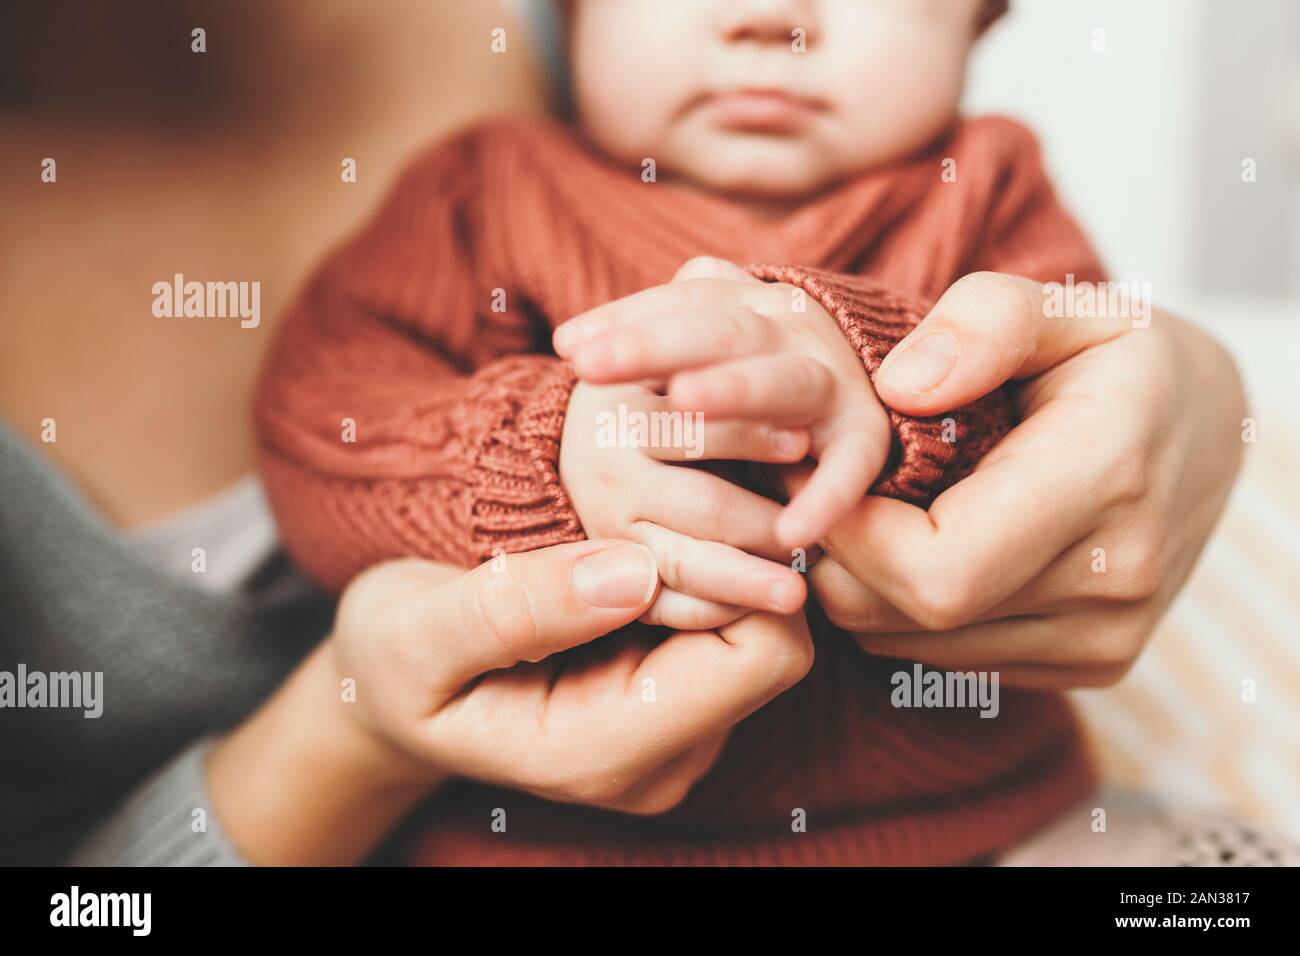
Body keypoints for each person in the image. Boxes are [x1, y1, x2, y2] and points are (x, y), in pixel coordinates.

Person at [249, 0, 1251, 865]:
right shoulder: (480, 192)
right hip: (542, 839)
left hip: (995, 821)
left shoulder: (985, 185)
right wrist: (537, 454)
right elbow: (325, 430)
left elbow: (1075, 437)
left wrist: (892, 386)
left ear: (978, 17)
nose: (768, 19)